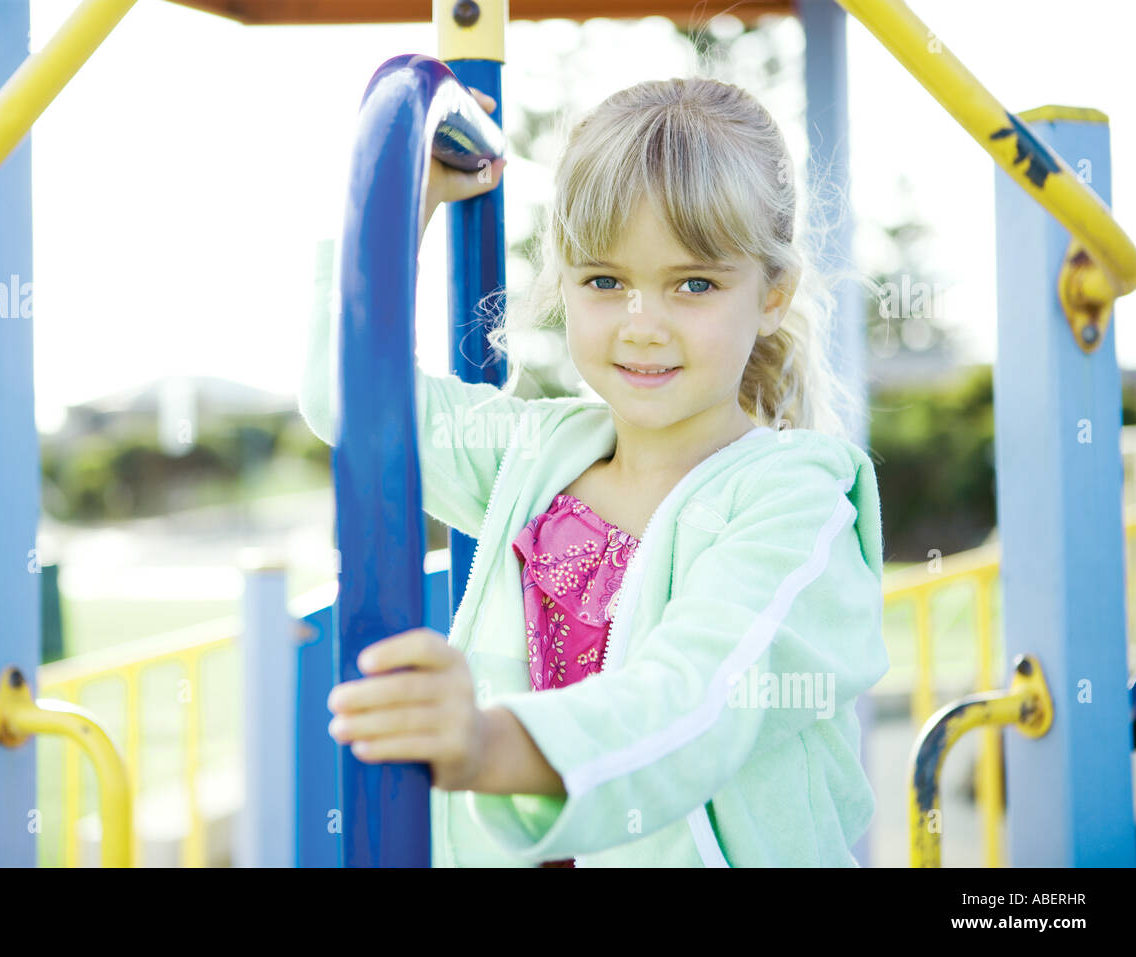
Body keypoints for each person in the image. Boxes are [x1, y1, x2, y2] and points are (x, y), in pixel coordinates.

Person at [301, 76, 889, 867]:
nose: (642, 326)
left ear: (772, 295)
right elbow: (353, 401)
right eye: (606, 281)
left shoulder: (797, 504)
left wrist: (488, 742)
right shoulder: (536, 453)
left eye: (693, 284)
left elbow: (697, 700)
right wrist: (399, 210)